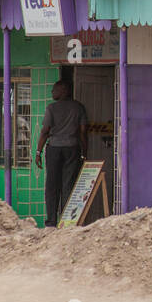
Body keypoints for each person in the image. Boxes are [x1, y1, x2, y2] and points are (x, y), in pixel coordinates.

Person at [36, 79, 89, 225]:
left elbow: (45, 131)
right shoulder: (79, 107)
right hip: (72, 148)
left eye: (55, 89)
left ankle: (51, 221)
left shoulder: (51, 108)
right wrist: (84, 153)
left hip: (54, 148)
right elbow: (83, 132)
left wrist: (38, 152)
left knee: (52, 185)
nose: (52, 92)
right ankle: (67, 221)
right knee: (68, 184)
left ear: (63, 90)